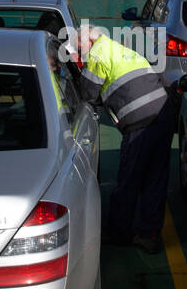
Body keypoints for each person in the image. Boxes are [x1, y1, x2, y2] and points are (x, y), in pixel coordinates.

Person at [74, 24, 173, 253]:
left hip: (141, 123)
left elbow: (87, 94)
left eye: (81, 49)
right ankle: (148, 236)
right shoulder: (121, 49)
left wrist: (79, 69)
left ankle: (119, 233)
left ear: (90, 41)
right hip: (163, 116)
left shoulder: (98, 54)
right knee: (155, 179)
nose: (81, 55)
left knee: (129, 178)